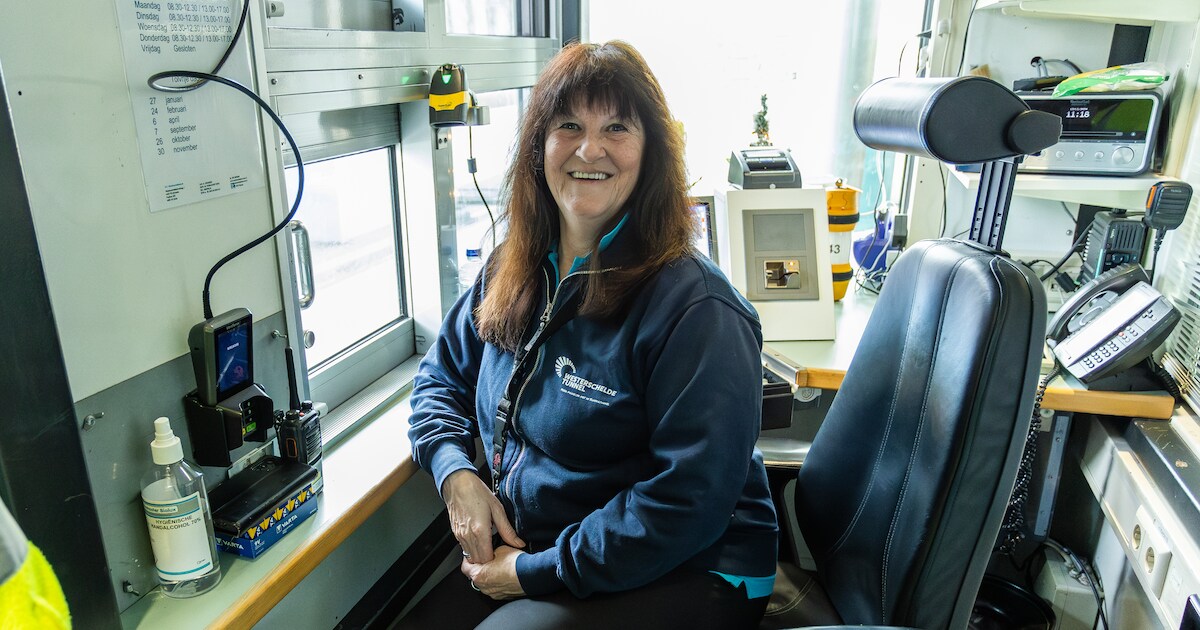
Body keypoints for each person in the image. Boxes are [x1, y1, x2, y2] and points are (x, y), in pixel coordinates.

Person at [403, 40, 778, 630]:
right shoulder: (513, 266)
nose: (589, 148)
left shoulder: (696, 307)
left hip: (692, 566)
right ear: (539, 147)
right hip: (549, 552)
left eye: (617, 128)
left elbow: (686, 504)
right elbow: (441, 376)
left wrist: (536, 572)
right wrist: (456, 473)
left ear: (650, 152)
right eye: (569, 125)